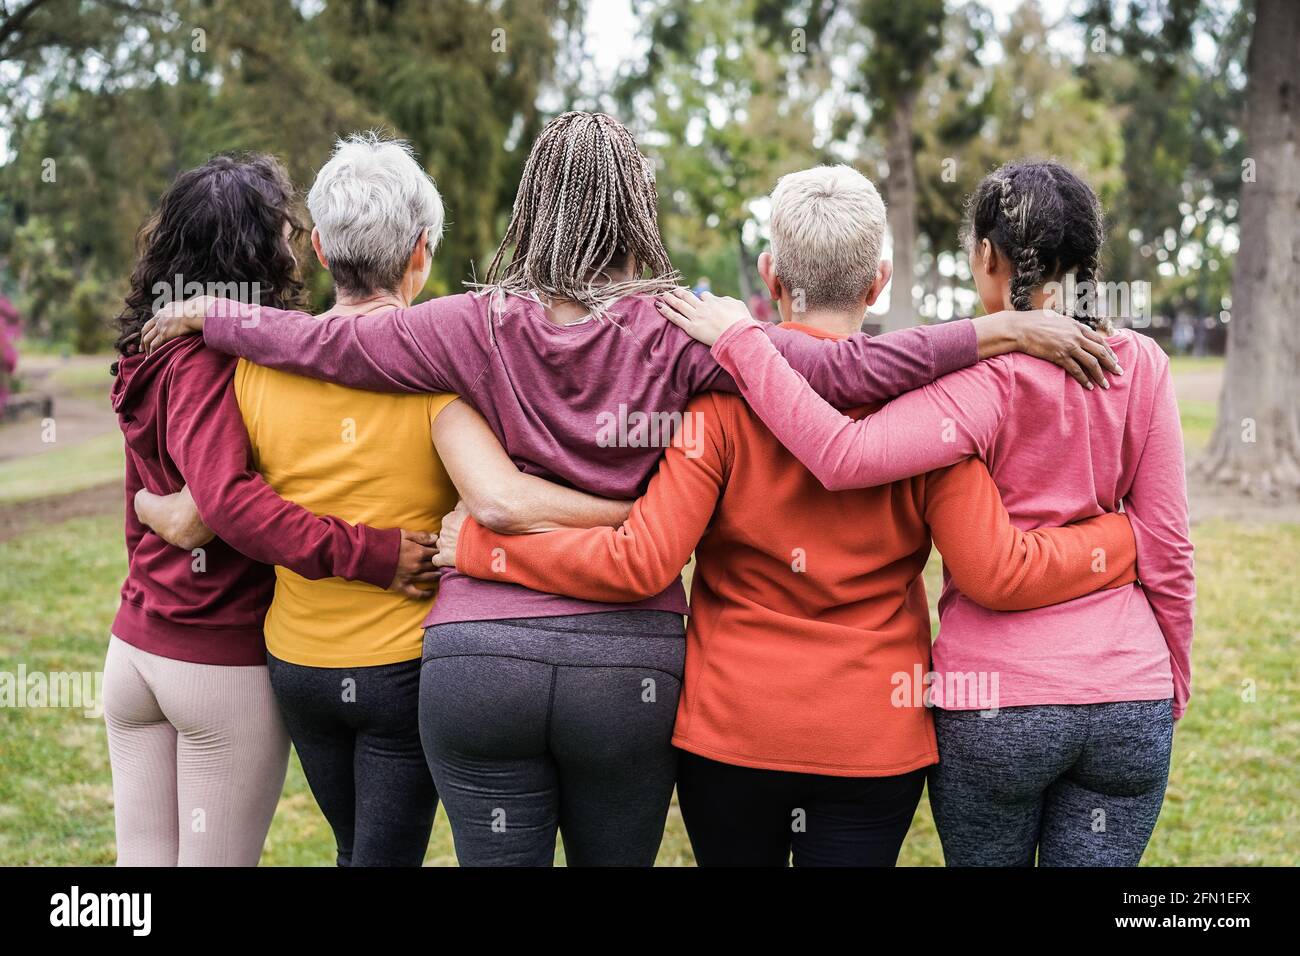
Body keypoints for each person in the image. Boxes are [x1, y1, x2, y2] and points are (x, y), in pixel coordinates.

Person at [139, 113, 1119, 867]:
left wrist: (203, 313)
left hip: (478, 657)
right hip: (628, 667)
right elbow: (845, 373)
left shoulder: (471, 322)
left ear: (534, 203)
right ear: (635, 207)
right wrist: (996, 330)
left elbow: (319, 342)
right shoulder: (680, 326)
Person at [427, 165, 1141, 866]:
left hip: (733, 738)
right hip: (873, 741)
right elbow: (992, 562)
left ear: (769, 278)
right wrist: (1120, 535)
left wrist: (488, 550)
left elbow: (642, 558)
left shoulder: (719, 407)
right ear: (880, 281)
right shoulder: (929, 413)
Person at [660, 160, 1194, 867]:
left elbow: (845, 455)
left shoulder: (971, 382)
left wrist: (738, 342)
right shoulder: (1145, 366)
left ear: (984, 257)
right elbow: (1171, 551)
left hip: (974, 708)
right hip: (1118, 693)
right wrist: (1168, 674)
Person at [136, 134, 634, 866]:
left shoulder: (252, 371)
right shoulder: (439, 382)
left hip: (297, 663)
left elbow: (220, 500)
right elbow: (499, 496)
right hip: (402, 668)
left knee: (354, 848)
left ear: (325, 258)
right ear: (422, 253)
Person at [106, 153, 437, 867]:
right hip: (213, 657)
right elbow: (216, 505)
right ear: (256, 251)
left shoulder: (149, 351)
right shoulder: (223, 363)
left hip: (135, 647)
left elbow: (169, 498)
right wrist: (373, 552)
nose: (294, 248)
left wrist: (151, 508)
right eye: (283, 233)